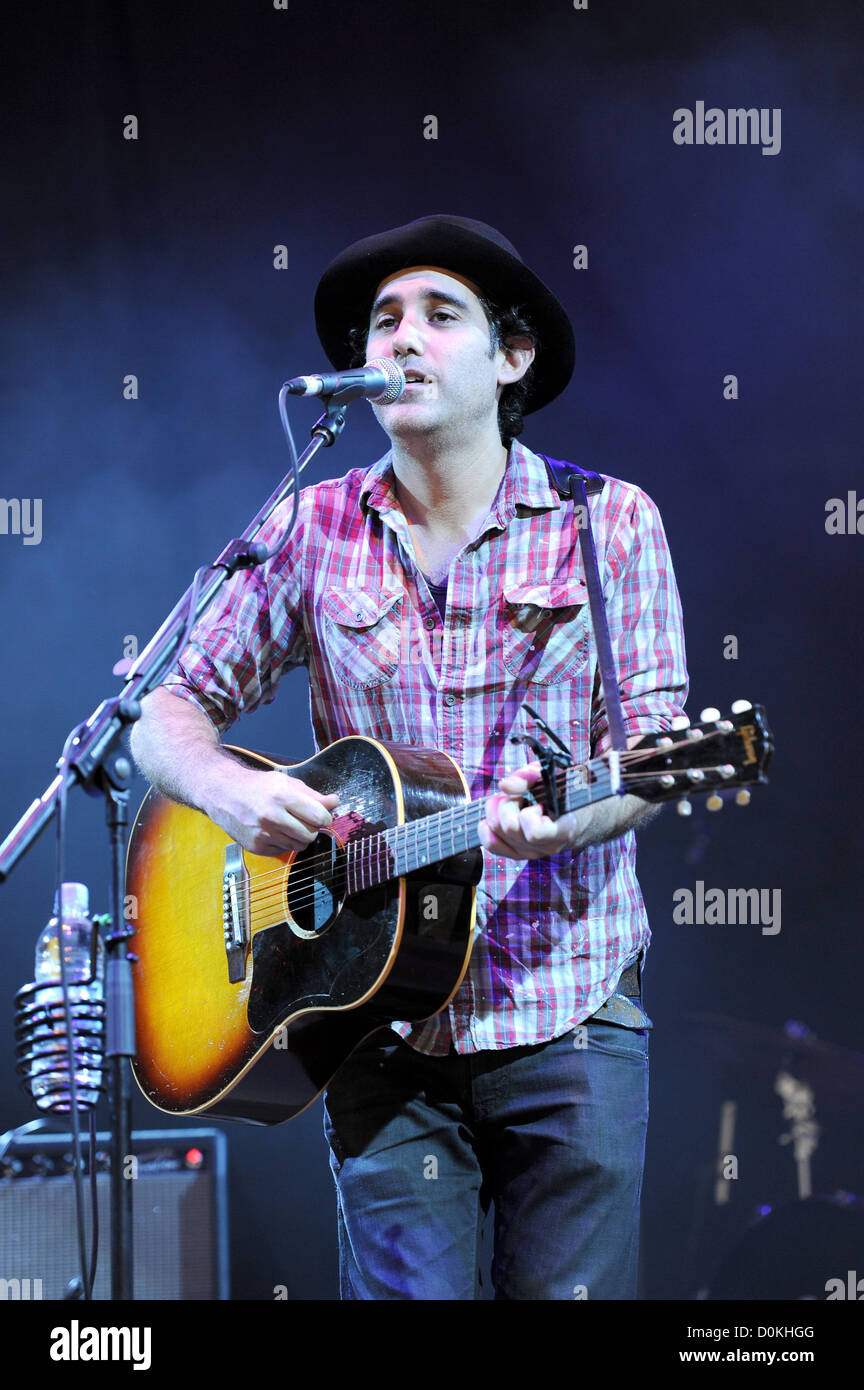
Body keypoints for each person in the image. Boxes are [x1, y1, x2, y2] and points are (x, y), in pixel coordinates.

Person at [130, 213, 688, 1301]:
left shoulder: (606, 523)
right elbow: (164, 711)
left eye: (440, 316)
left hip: (566, 1011)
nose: (400, 341)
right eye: (384, 322)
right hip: (375, 1016)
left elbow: (657, 753)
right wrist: (227, 788)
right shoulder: (308, 526)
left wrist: (568, 819)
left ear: (510, 356)